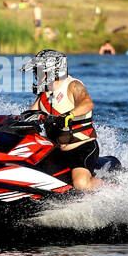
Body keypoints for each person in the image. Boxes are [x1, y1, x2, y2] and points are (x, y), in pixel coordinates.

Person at [21, 49, 102, 190]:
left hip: (82, 148)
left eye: (39, 70)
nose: (36, 75)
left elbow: (87, 103)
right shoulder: (45, 93)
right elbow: (29, 114)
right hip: (56, 151)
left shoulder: (73, 85)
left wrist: (69, 115)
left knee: (81, 184)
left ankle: (116, 189)